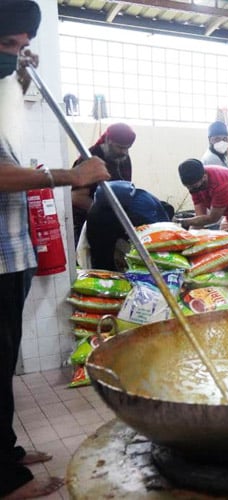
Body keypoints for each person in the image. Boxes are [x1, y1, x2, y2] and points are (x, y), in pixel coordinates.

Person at [0, 3, 110, 498]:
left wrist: (20, 75)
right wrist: (67, 176)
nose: (19, 56)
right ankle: (4, 481)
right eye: (10, 45)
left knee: (4, 362)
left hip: (11, 255)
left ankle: (7, 452)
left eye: (24, 47)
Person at [71, 122, 136, 244]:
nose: (124, 152)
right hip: (87, 224)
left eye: (127, 148)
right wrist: (106, 214)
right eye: (120, 147)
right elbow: (76, 197)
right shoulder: (89, 158)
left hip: (114, 220)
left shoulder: (123, 158)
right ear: (108, 140)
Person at [86, 180, 170, 271]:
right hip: (119, 217)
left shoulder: (144, 202)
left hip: (100, 216)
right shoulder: (144, 208)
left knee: (103, 263)